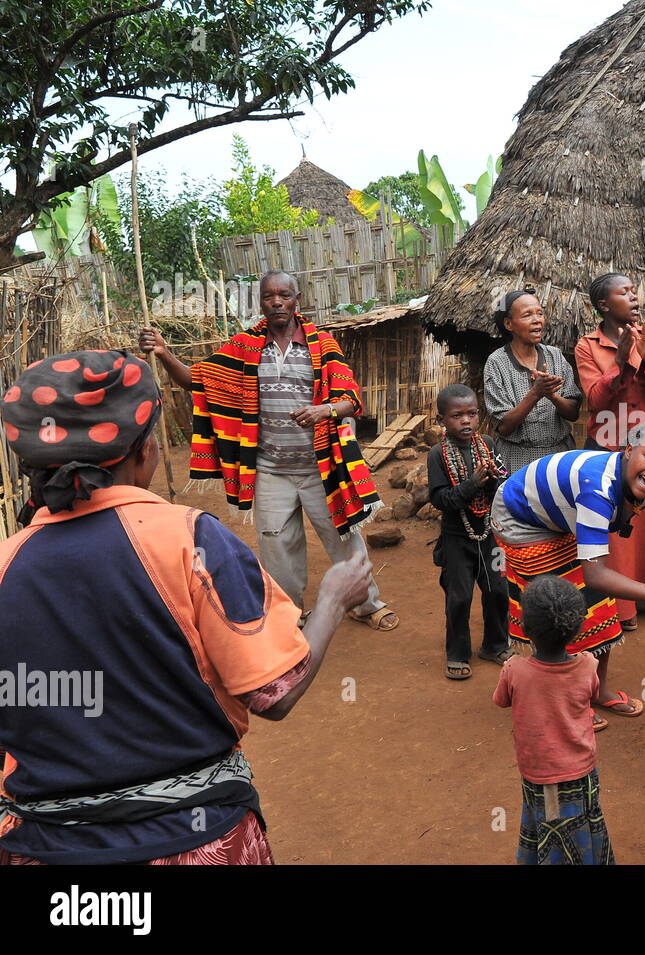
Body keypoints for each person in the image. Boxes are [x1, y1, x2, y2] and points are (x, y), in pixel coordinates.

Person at [0, 351, 372, 865]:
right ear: (144, 451)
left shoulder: (6, 563)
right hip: (193, 842)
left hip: (45, 848)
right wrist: (332, 599)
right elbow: (275, 695)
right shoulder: (189, 539)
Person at [139, 269, 398, 631]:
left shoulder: (321, 345)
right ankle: (291, 614)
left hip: (321, 468)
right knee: (276, 545)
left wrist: (324, 409)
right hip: (271, 469)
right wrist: (165, 354)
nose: (276, 302)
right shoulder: (244, 347)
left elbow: (351, 401)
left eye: (284, 295)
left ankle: (367, 603)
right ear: (261, 302)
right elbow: (196, 380)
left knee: (343, 536)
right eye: (268, 296)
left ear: (297, 300)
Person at [490, 416, 645, 728]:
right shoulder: (597, 487)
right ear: (627, 451)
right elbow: (596, 575)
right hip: (522, 520)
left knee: (598, 605)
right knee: (560, 612)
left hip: (558, 518)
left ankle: (597, 690)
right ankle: (569, 703)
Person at [575, 272, 645, 628]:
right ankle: (624, 608)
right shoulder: (586, 346)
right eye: (625, 293)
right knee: (615, 530)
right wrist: (620, 363)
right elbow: (594, 400)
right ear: (604, 305)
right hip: (607, 448)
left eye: (635, 292)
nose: (635, 297)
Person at [493, 576, 614, 865]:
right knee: (585, 818)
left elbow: (500, 700)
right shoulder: (588, 665)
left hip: (540, 771)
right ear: (577, 629)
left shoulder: (515, 670)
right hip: (582, 769)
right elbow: (593, 694)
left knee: (548, 825)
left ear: (526, 629)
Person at [427, 383, 511, 681]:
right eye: (457, 415)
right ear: (441, 420)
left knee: (499, 590)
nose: (466, 421)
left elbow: (503, 486)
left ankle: (496, 644)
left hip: (489, 534)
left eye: (472, 414)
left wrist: (490, 481)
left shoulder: (487, 443)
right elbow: (440, 500)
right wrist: (472, 484)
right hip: (455, 537)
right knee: (459, 597)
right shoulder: (438, 455)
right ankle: (458, 653)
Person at [483, 288, 582, 476]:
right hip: (516, 460)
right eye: (527, 315)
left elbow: (573, 413)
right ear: (509, 324)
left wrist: (552, 395)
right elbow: (504, 427)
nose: (537, 320)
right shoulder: (497, 363)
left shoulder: (555, 356)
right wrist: (535, 394)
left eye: (540, 313)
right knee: (519, 504)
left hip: (558, 457)